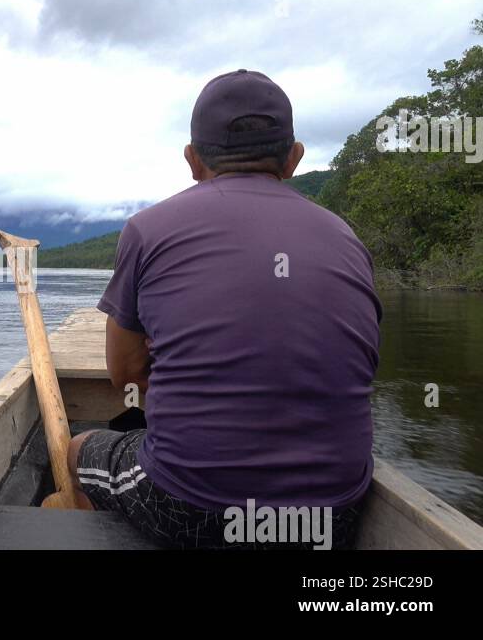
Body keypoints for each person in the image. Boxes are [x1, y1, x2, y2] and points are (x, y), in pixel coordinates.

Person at [67, 69, 382, 549]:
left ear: (192, 161)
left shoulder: (148, 229)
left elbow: (126, 377)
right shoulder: (347, 239)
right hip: (331, 515)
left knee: (79, 448)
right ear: (294, 159)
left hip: (189, 505)